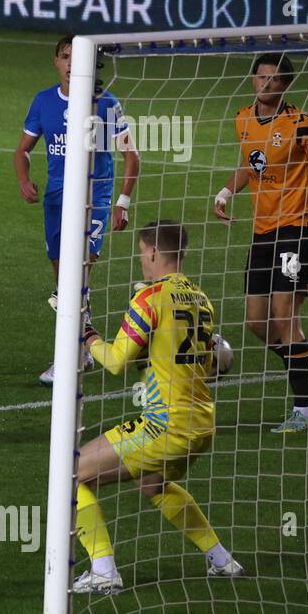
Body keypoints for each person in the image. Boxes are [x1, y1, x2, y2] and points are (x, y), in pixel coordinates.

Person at [75, 221, 243, 593]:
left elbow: (116, 361)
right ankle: (221, 559)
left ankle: (104, 570)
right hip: (202, 425)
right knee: (154, 484)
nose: (141, 261)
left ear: (152, 251)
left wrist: (87, 335)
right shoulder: (202, 300)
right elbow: (206, 361)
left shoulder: (148, 299)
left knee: (71, 474)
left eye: (140, 253)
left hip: (164, 426)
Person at [214, 52, 308, 432]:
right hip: (262, 232)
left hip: (298, 229)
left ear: (285, 85)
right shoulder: (242, 119)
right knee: (257, 321)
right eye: (260, 77)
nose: (265, 83)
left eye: (273, 79)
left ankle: (304, 409)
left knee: (286, 318)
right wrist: (224, 192)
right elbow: (249, 165)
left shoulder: (301, 125)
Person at [14, 33, 140, 385]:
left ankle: (67, 359)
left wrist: (122, 202)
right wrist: (24, 179)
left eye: (77, 57)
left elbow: (132, 155)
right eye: (65, 56)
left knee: (74, 281)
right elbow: (22, 149)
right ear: (56, 61)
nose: (71, 63)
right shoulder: (42, 102)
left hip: (95, 200)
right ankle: (85, 348)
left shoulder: (106, 103)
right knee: (65, 282)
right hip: (57, 201)